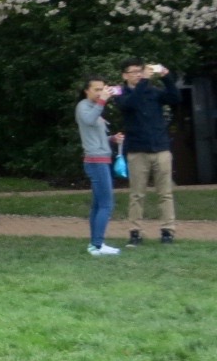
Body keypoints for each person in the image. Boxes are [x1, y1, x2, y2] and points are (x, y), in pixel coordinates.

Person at [113, 60, 181, 246]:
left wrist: (166, 77)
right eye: (133, 72)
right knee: (137, 194)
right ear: (124, 75)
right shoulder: (120, 92)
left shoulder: (153, 91)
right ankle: (135, 232)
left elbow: (175, 98)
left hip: (160, 148)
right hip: (137, 150)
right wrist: (144, 82)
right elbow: (130, 105)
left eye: (139, 71)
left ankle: (168, 231)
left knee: (165, 193)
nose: (137, 74)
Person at [77, 79, 125, 256]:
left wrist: (112, 139)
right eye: (96, 90)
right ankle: (97, 245)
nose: (100, 92)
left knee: (98, 205)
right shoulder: (83, 107)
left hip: (101, 159)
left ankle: (95, 244)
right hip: (95, 162)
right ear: (86, 91)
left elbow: (96, 138)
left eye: (102, 89)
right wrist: (103, 100)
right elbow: (89, 121)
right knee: (106, 204)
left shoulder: (93, 107)